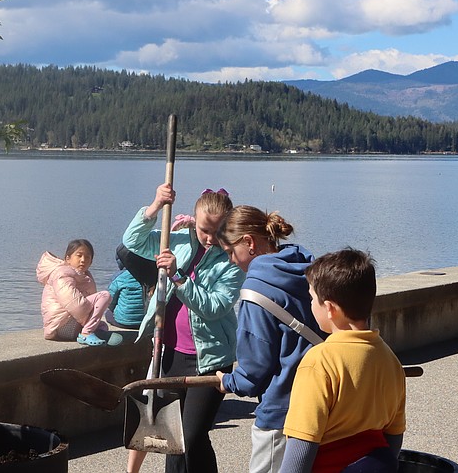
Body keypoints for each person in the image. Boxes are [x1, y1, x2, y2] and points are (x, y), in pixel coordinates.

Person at [120, 184, 244, 473]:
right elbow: (131, 241)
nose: (211, 239)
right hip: (171, 352)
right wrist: (155, 206)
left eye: (218, 231)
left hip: (210, 360)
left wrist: (177, 276)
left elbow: (214, 307)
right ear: (195, 221)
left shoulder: (232, 261)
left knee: (192, 435)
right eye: (204, 230)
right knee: (172, 437)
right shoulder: (175, 240)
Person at [280, 249, 406, 473]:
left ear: (330, 308)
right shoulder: (390, 359)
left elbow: (302, 444)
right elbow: (394, 436)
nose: (311, 306)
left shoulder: (320, 361)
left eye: (312, 299)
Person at [213, 206, 319, 473]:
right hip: (322, 401)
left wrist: (228, 381)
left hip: (281, 411)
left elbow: (253, 370)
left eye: (229, 252)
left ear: (248, 242)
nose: (231, 261)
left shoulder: (256, 292)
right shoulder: (312, 272)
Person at [36, 239, 123, 346]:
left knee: (102, 326)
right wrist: (90, 320)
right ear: (68, 258)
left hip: (69, 322)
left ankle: (94, 332)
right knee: (105, 296)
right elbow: (74, 304)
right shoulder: (61, 274)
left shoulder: (85, 276)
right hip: (61, 325)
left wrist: (93, 320)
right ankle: (87, 333)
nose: (83, 260)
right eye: (79, 255)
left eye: (87, 257)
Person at [106, 254, 147, 329]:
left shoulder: (120, 276)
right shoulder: (150, 275)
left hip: (123, 322)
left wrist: (113, 310)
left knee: (108, 314)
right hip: (145, 321)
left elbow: (110, 300)